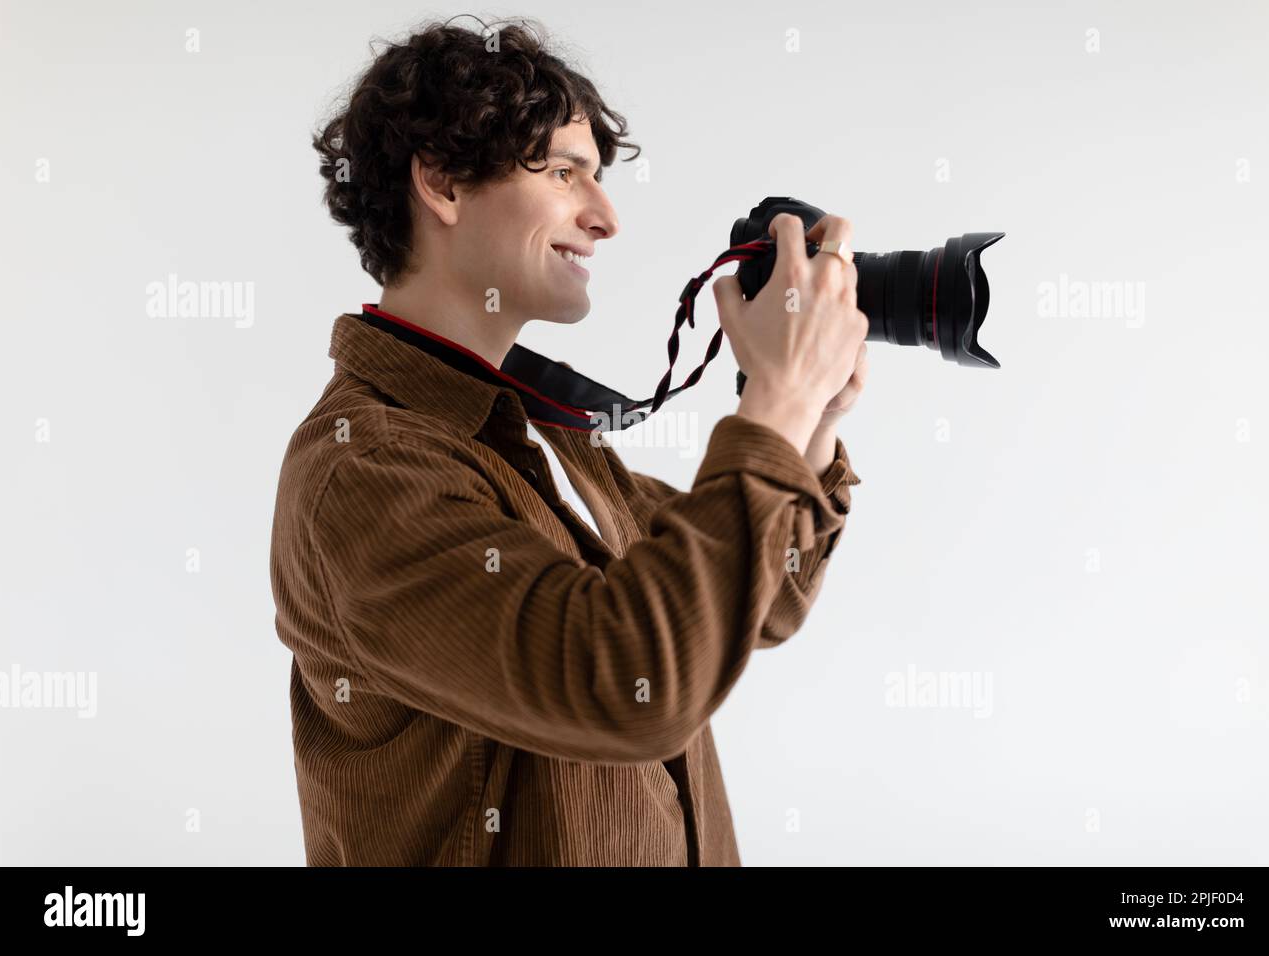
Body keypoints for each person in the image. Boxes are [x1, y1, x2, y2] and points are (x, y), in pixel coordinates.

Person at [269, 14, 869, 866]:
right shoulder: (365, 469)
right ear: (441, 180)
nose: (606, 218)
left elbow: (757, 601)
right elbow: (632, 686)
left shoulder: (542, 432)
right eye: (563, 173)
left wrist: (812, 421)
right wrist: (774, 397)